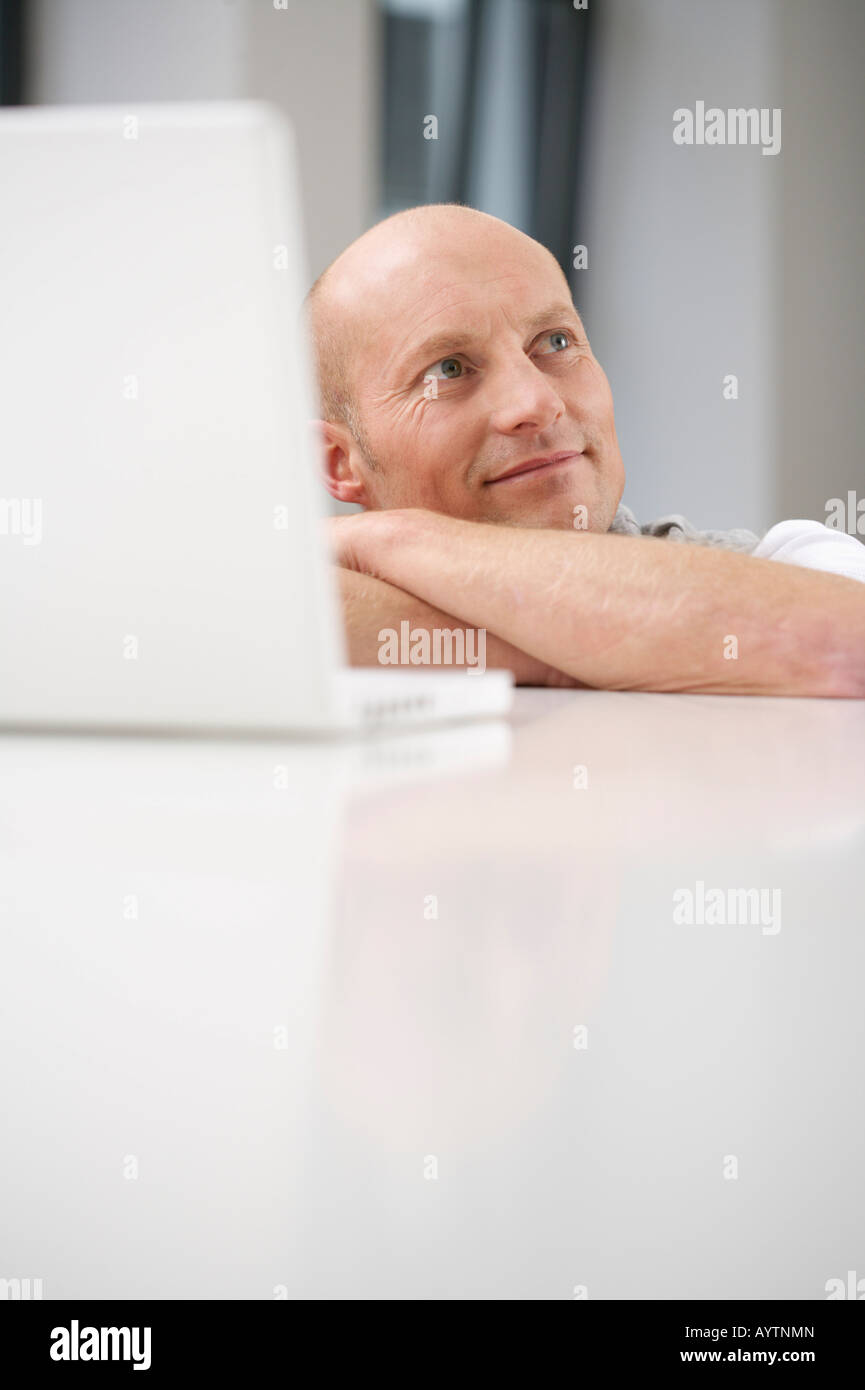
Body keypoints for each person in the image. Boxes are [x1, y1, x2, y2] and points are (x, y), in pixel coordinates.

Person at [307, 204, 865, 696]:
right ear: (339, 463)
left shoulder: (793, 563)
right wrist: (574, 654)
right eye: (448, 370)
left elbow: (849, 644)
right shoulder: (277, 620)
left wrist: (392, 537)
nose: (538, 401)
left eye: (555, 342)